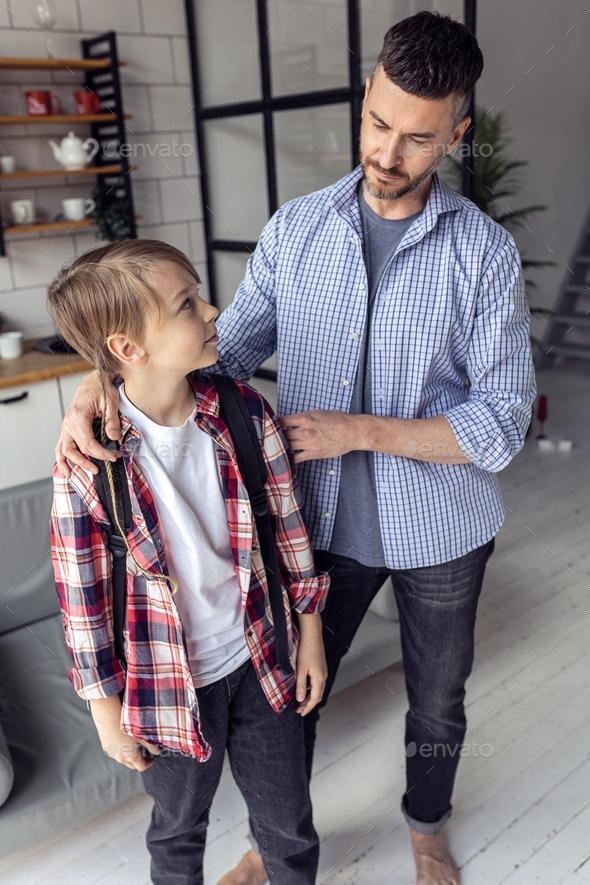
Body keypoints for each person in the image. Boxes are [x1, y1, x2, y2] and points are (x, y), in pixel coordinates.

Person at [55, 12, 536, 885]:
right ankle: (278, 835)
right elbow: (219, 350)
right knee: (292, 699)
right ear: (364, 102)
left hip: (444, 531)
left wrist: (357, 431)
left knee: (437, 698)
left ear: (457, 136)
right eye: (379, 124)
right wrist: (98, 385)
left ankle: (426, 823)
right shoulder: (298, 230)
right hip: (308, 525)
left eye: (419, 139)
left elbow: (503, 423)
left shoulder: (486, 257)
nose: (388, 153)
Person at [48, 240, 329, 885]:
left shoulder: (242, 410)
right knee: (177, 831)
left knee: (287, 825)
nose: (213, 310)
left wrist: (309, 636)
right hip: (167, 689)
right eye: (186, 304)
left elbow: (289, 531)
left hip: (260, 663)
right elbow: (80, 599)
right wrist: (104, 712)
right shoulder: (88, 463)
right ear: (128, 348)